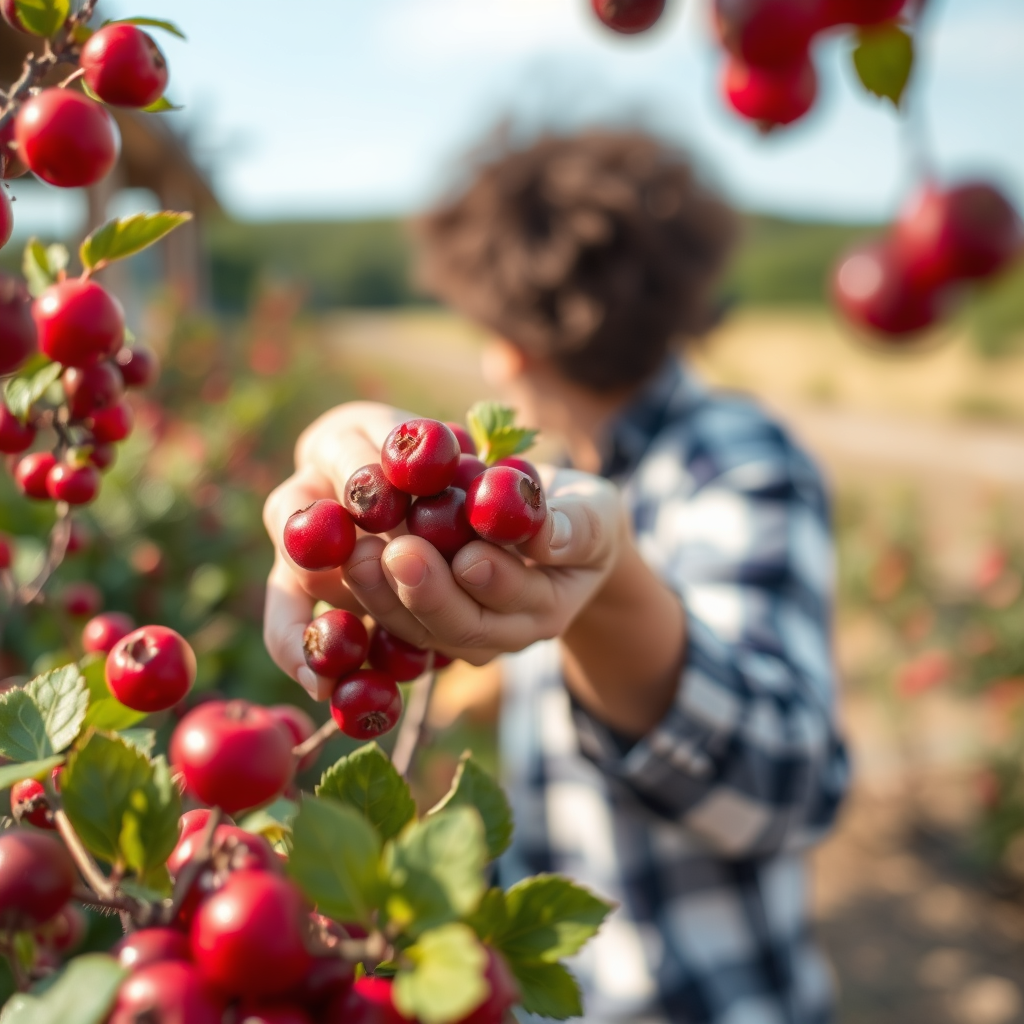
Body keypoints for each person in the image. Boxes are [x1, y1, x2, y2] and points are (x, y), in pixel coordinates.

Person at [262, 131, 850, 1024]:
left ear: (512, 345)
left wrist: (612, 595)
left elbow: (788, 783)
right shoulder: (550, 477)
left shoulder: (738, 463)